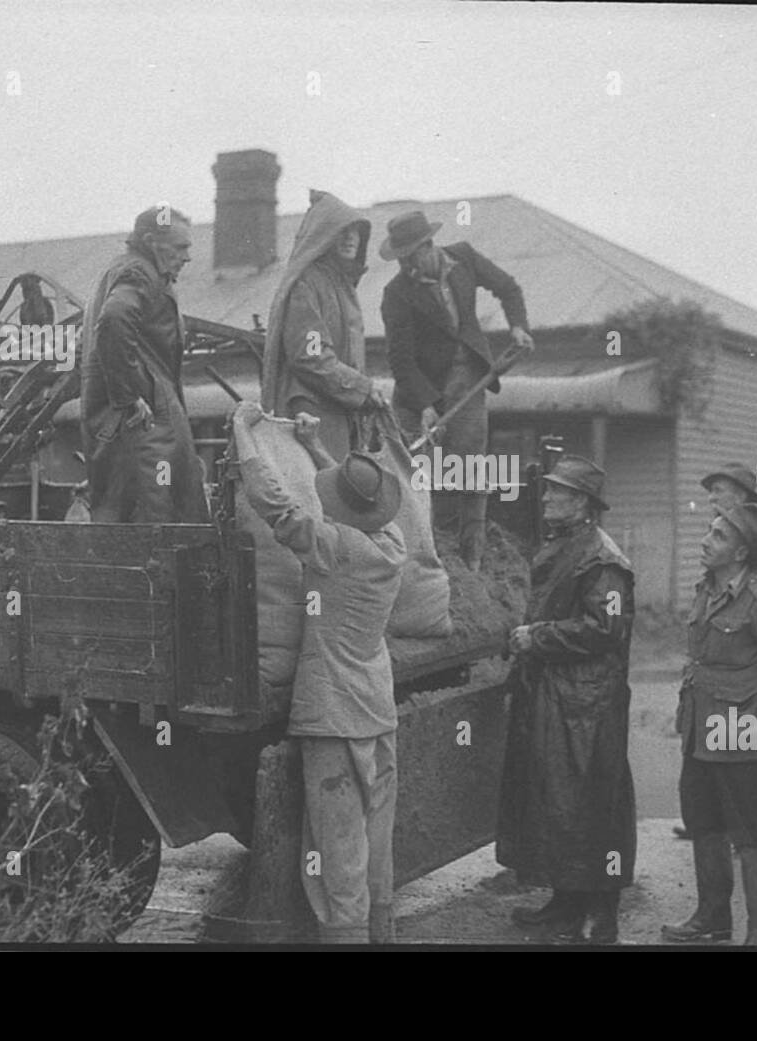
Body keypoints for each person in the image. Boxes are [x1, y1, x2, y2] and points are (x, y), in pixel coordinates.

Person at [237, 408, 407, 944]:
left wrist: (243, 431)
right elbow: (359, 498)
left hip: (333, 719)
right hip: (377, 712)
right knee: (376, 840)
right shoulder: (392, 545)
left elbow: (275, 506)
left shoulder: (337, 548)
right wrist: (315, 447)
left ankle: (347, 939)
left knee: (338, 853)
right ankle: (383, 934)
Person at [496, 455, 636, 944]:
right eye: (549, 490)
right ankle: (565, 902)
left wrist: (539, 637)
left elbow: (607, 627)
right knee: (556, 805)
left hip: (589, 705)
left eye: (558, 492)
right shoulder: (565, 545)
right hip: (559, 696)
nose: (547, 497)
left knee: (593, 806)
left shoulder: (604, 560)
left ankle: (602, 912)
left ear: (582, 504)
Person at [662, 503, 757, 945]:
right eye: (709, 531)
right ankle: (712, 917)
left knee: (750, 834)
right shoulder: (705, 590)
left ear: (742, 552)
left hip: (746, 736)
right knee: (703, 823)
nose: (706, 540)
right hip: (701, 731)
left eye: (719, 536)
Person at [379, 210, 533, 569]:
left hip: (469, 378)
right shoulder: (396, 294)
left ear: (430, 246)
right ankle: (430, 558)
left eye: (412, 257)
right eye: (401, 261)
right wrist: (427, 405)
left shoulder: (463, 256)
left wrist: (519, 327)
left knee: (471, 469)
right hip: (421, 388)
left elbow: (508, 288)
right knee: (425, 473)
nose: (408, 267)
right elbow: (400, 362)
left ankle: (471, 564)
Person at [673, 464, 757, 842]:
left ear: (742, 497)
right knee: (706, 817)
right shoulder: (709, 578)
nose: (711, 499)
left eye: (719, 491)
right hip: (707, 714)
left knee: (749, 822)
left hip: (744, 718)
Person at [80, 205, 209, 523]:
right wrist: (129, 395)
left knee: (145, 511)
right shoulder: (138, 273)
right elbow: (113, 320)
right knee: (155, 516)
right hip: (145, 429)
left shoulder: (136, 272)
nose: (187, 257)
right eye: (181, 247)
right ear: (152, 242)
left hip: (144, 424)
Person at [261, 190, 385, 461]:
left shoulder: (341, 285)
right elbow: (311, 354)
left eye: (355, 231)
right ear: (324, 236)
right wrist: (362, 388)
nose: (351, 237)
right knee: (327, 493)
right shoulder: (308, 284)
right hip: (314, 412)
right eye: (341, 231)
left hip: (339, 411)